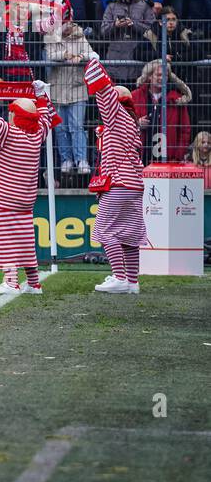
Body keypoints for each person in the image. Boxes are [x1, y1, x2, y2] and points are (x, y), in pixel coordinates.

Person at [0, 83, 54, 294]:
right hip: (24, 200)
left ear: (16, 116)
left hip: (5, 198)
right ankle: (34, 283)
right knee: (25, 240)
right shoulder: (37, 135)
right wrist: (41, 95)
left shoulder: (8, 134)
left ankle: (10, 281)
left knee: (6, 240)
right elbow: (45, 117)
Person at [82, 55, 145, 294]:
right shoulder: (131, 123)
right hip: (133, 186)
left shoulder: (117, 117)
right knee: (129, 234)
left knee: (104, 230)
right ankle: (132, 281)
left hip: (118, 184)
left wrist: (94, 63)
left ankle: (119, 277)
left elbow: (104, 91)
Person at [43, 22, 93, 175]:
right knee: (60, 128)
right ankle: (66, 159)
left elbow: (90, 53)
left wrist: (80, 57)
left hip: (77, 88)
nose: (67, 26)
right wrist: (65, 55)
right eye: (63, 23)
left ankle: (81, 160)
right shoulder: (50, 37)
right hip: (57, 88)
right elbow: (49, 56)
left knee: (77, 126)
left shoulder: (80, 36)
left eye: (69, 22)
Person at [133, 60, 193, 162]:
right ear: (149, 76)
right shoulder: (135, 96)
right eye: (158, 75)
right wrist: (137, 124)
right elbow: (123, 123)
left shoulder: (177, 100)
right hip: (139, 158)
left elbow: (185, 131)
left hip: (168, 160)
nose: (162, 78)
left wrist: (177, 156)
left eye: (165, 75)